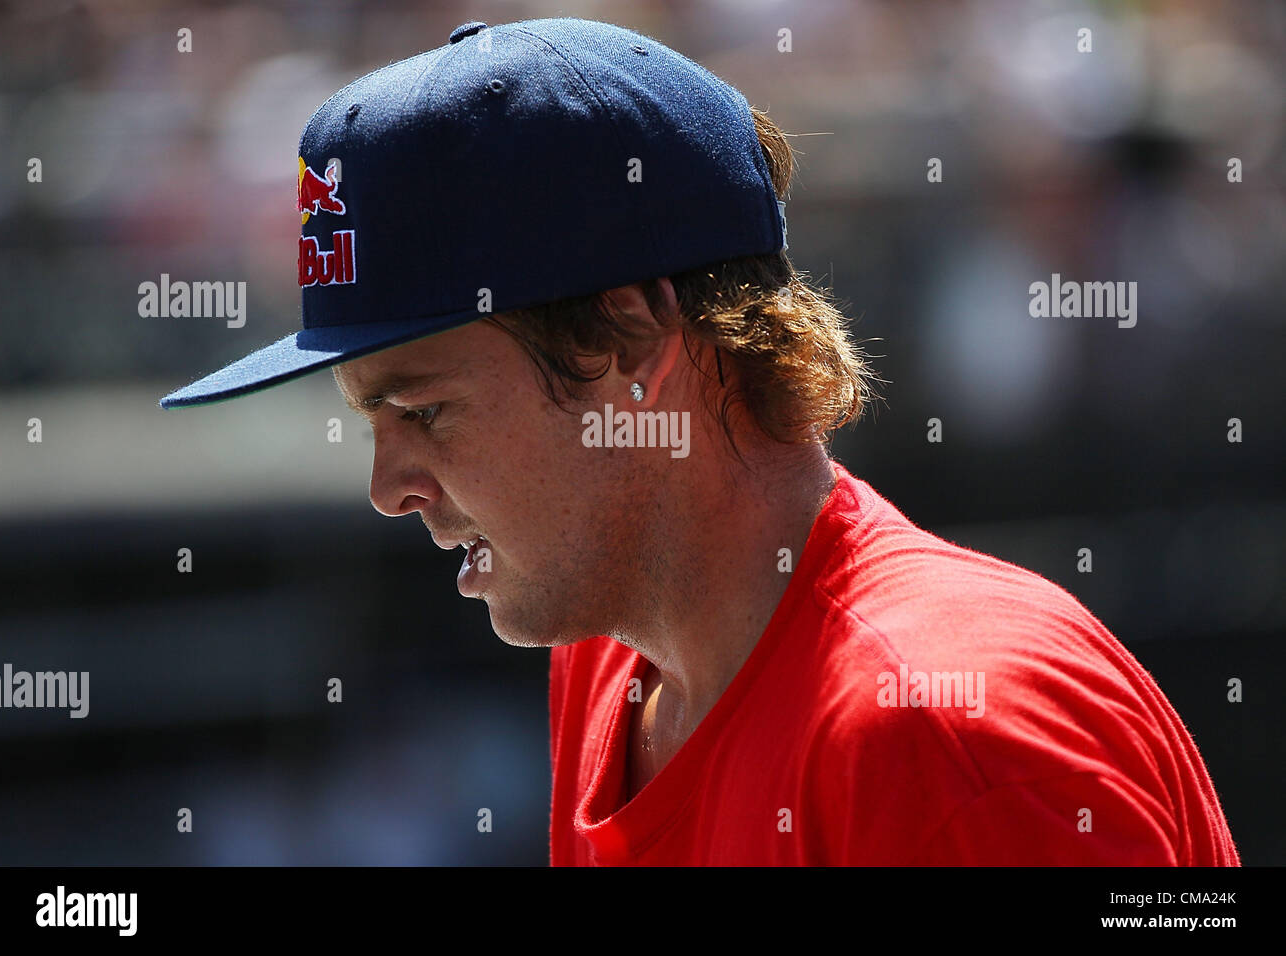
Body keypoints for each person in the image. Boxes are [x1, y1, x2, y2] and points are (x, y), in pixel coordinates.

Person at [161, 17, 1240, 866]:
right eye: (371, 420)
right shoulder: (607, 650)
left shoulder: (942, 737)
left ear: (633, 337)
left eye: (425, 410)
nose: (388, 484)